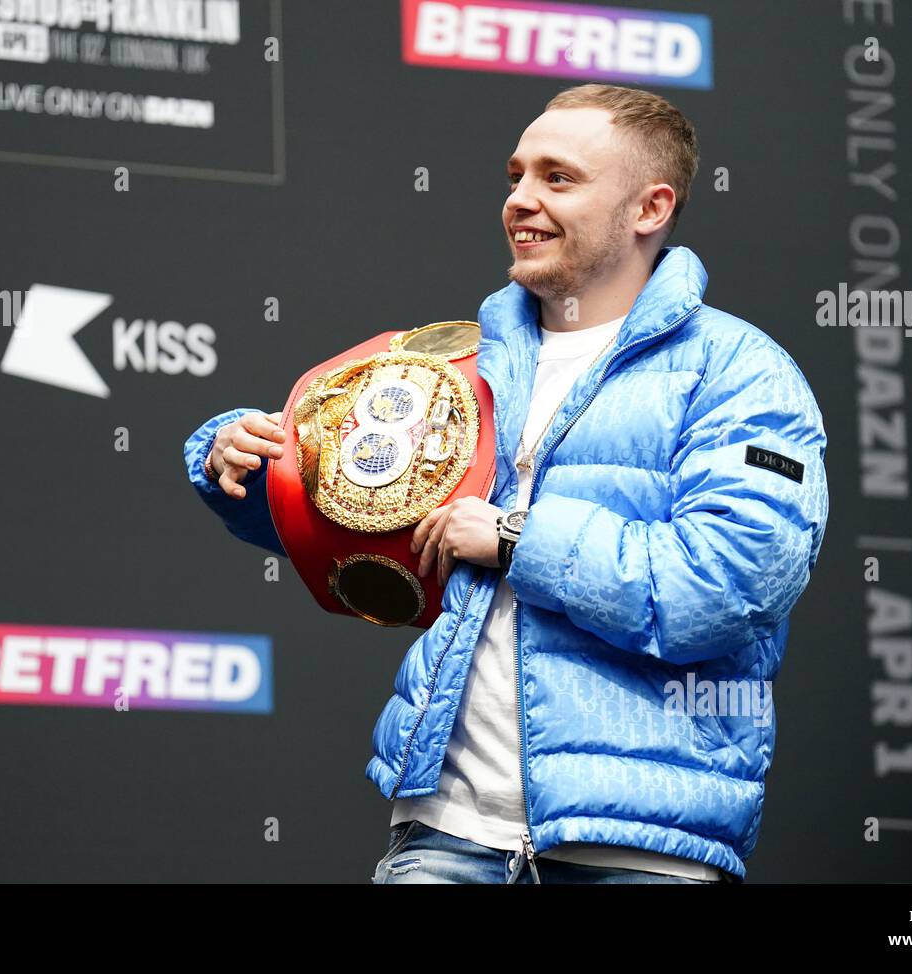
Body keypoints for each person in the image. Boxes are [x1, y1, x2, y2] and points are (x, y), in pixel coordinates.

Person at [184, 84, 829, 884]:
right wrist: (255, 468)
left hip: (637, 849)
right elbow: (366, 536)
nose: (520, 200)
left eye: (558, 178)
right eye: (516, 175)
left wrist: (515, 537)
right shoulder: (464, 360)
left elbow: (728, 588)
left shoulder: (739, 372)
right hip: (445, 833)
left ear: (649, 208)